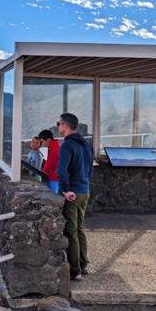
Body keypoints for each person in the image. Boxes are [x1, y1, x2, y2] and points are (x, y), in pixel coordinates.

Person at [56, 112, 94, 281]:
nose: (58, 127)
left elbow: (61, 171)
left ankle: (75, 270)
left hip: (72, 193)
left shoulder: (67, 146)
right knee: (79, 228)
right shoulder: (87, 145)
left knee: (71, 231)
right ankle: (84, 263)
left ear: (65, 125)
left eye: (59, 123)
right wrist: (84, 186)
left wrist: (65, 190)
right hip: (84, 191)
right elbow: (90, 170)